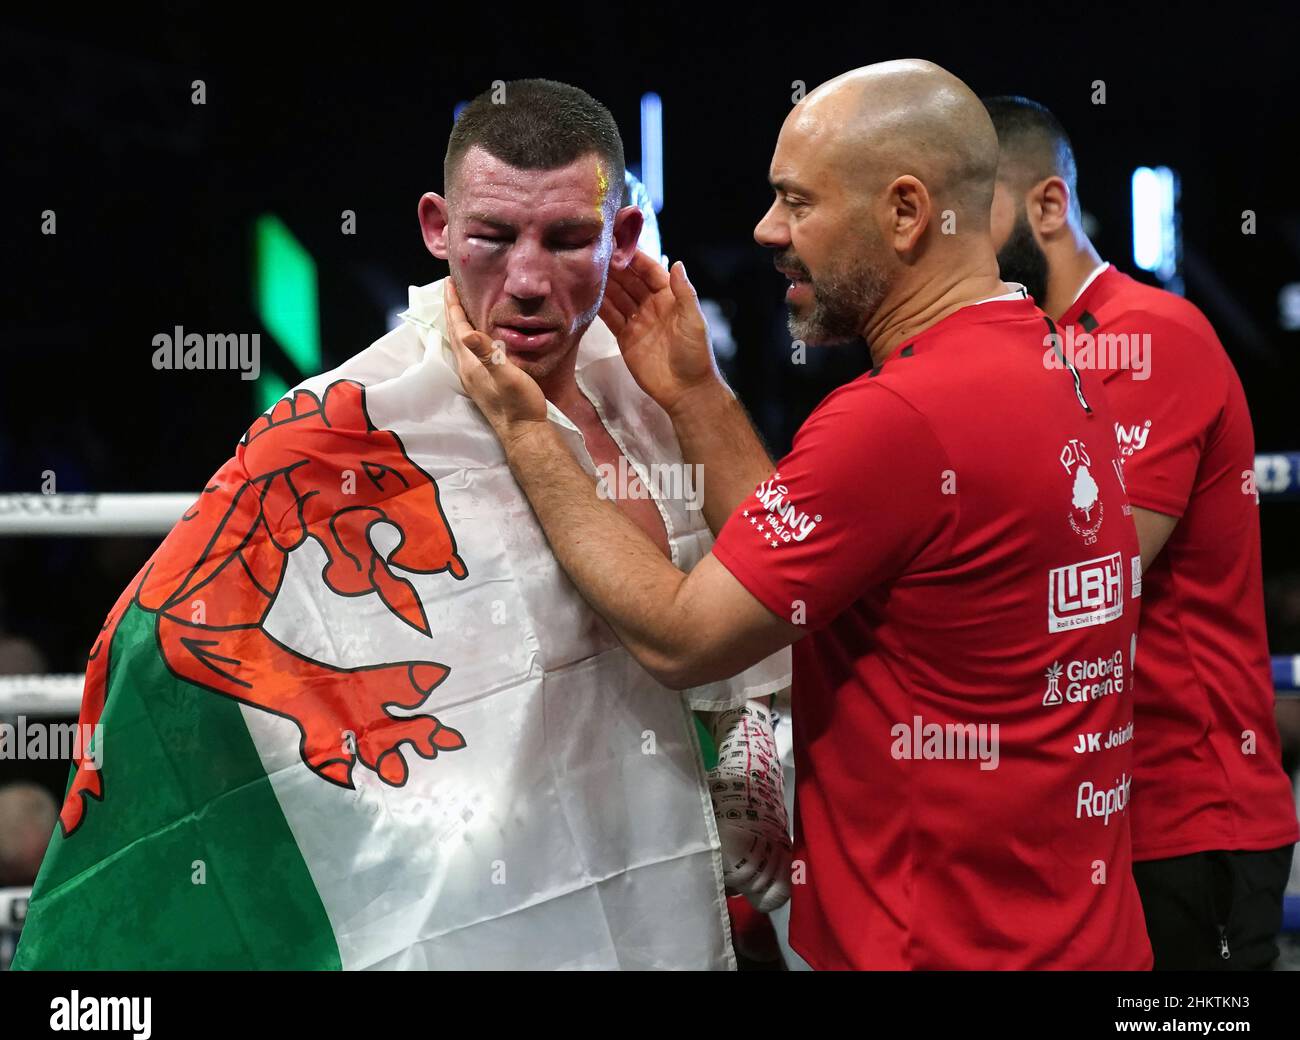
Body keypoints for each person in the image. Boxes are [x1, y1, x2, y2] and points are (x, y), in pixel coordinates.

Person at [15, 79, 789, 972]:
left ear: (621, 237)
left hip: (666, 892)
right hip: (458, 915)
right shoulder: (346, 420)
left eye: (569, 239)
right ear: (436, 227)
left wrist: (749, 725)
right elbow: (164, 635)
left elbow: (777, 570)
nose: (529, 281)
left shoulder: (659, 376)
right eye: (492, 238)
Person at [447, 59, 1151, 970]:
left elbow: (683, 637)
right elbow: (801, 565)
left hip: (935, 950)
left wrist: (528, 430)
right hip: (1077, 939)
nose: (767, 229)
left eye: (797, 200)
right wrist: (694, 395)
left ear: (905, 214)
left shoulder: (899, 420)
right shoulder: (1045, 359)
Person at [986, 95, 1300, 969]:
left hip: (1187, 814)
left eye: (973, 215)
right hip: (1071, 814)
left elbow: (1089, 572)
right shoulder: (1007, 356)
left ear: (1049, 205)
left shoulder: (1152, 337)